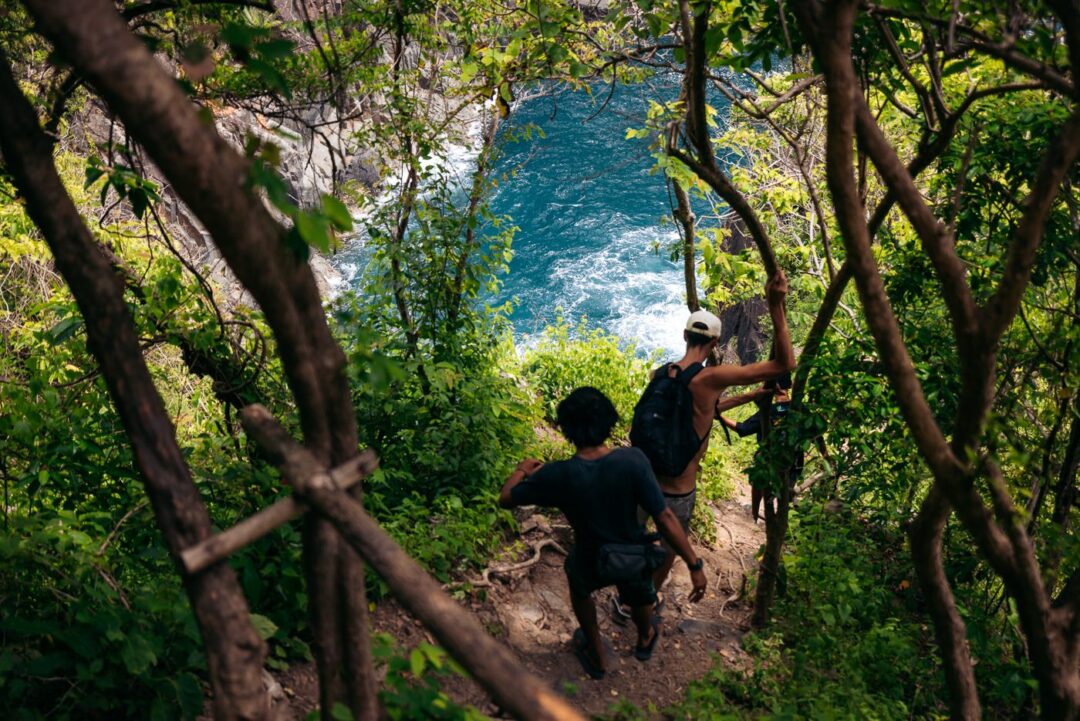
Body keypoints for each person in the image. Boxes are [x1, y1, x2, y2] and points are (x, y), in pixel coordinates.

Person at [499, 387, 707, 680]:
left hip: (591, 558)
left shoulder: (558, 474)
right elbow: (665, 516)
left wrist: (522, 470)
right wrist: (694, 564)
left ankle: (596, 653)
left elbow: (506, 499)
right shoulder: (633, 460)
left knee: (579, 585)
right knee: (640, 592)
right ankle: (646, 635)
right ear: (609, 422)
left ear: (568, 430)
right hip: (633, 556)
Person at [619, 272, 794, 619]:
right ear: (715, 344)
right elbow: (784, 364)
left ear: (684, 336)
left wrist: (749, 397)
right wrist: (776, 305)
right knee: (670, 548)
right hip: (679, 489)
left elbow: (700, 412)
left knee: (636, 537)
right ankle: (645, 600)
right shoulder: (712, 377)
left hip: (645, 480)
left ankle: (625, 594)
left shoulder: (661, 374)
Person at [718, 372, 805, 521]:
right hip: (794, 462)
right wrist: (826, 455)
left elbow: (742, 428)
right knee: (786, 490)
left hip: (768, 461)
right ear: (789, 386)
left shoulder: (768, 412)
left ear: (774, 387)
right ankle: (782, 519)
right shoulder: (801, 410)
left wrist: (719, 417)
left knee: (759, 480)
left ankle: (754, 515)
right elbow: (816, 434)